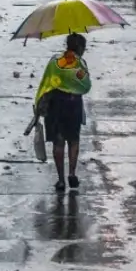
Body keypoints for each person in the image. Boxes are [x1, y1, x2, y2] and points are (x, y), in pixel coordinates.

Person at [34, 33, 92, 192]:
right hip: (73, 105)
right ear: (80, 48)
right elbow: (86, 86)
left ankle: (60, 180)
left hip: (55, 105)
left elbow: (46, 83)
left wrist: (39, 103)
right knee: (73, 140)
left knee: (58, 143)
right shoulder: (80, 64)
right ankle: (72, 173)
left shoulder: (54, 62)